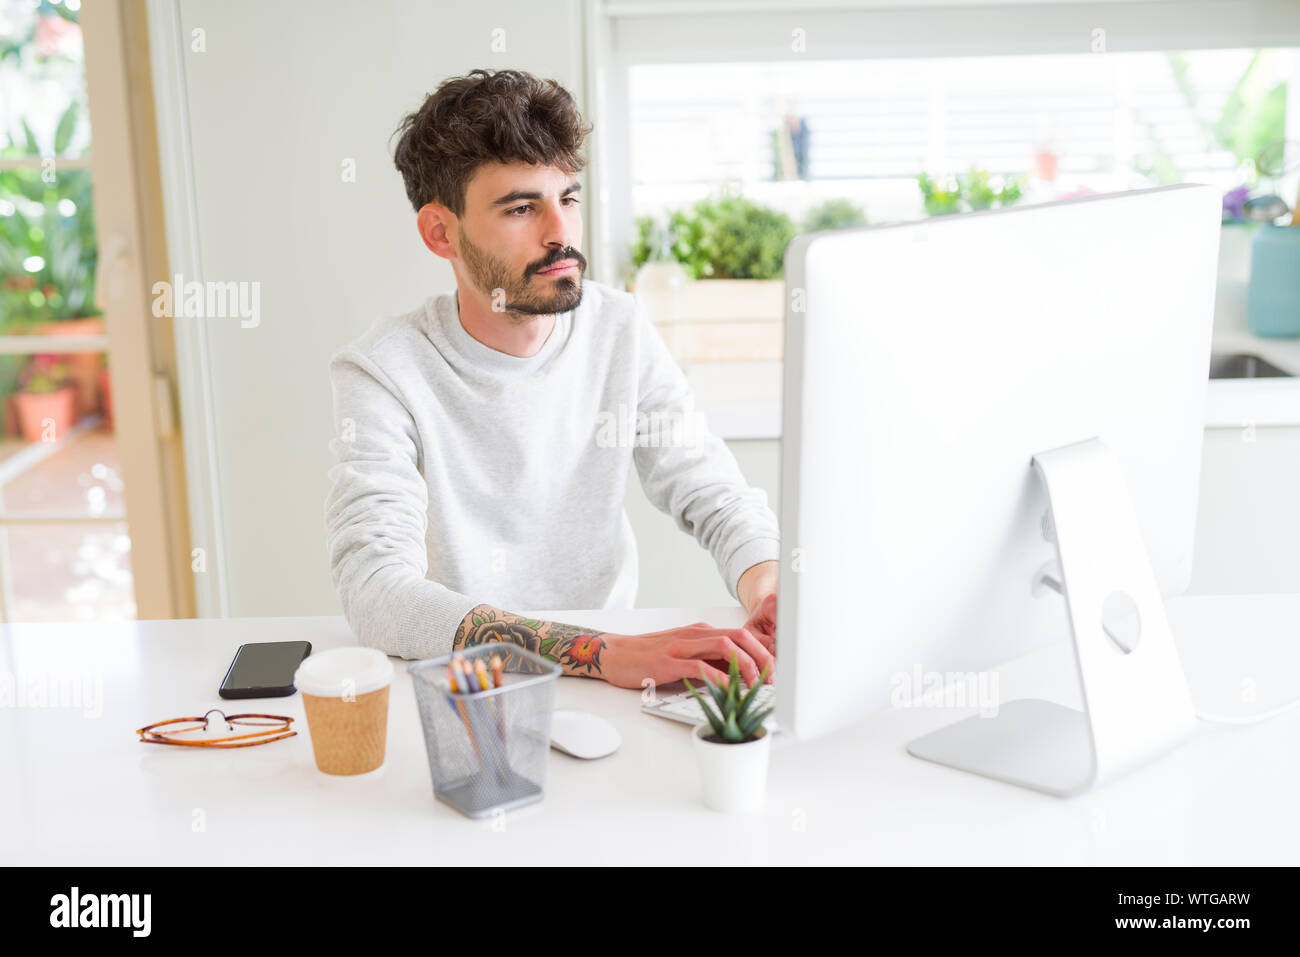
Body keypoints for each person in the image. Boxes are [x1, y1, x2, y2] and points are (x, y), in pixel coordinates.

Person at [324, 68, 780, 691]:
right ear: (440, 232)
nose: (560, 233)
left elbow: (711, 490)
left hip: (614, 683)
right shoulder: (384, 370)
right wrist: (602, 651)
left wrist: (768, 582)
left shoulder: (617, 327)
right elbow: (376, 589)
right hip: (463, 689)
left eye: (567, 197)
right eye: (520, 207)